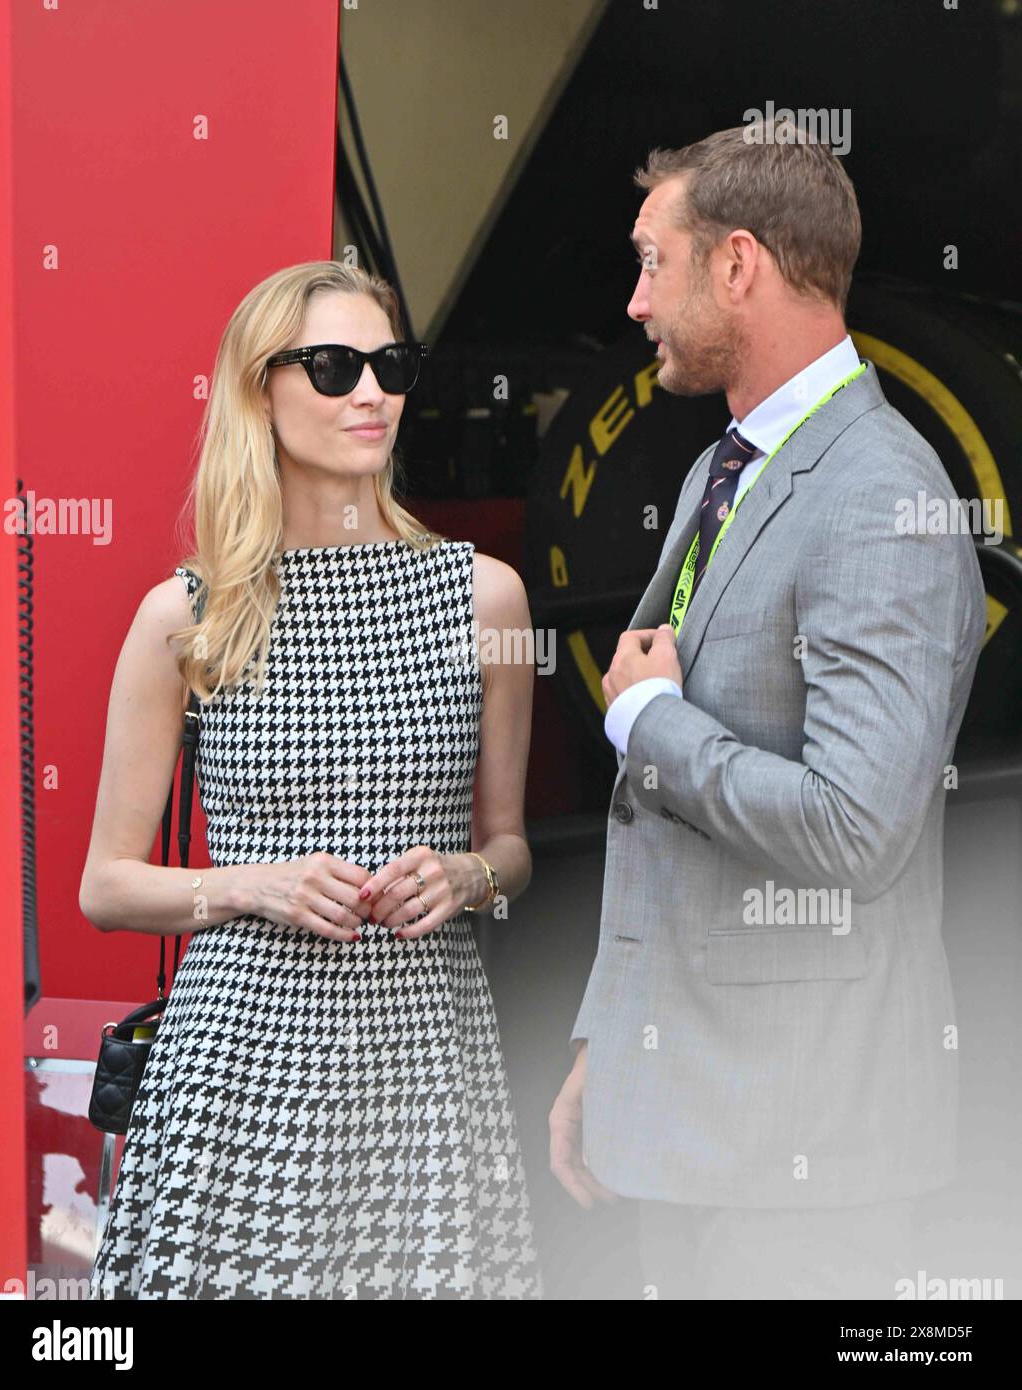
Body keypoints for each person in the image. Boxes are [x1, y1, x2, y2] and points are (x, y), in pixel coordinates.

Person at [549, 122, 987, 1299]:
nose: (634, 303)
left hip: (804, 1153)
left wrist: (653, 724)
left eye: (653, 262)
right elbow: (663, 831)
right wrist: (613, 1043)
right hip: (689, 1117)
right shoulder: (719, 465)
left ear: (736, 264)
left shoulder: (877, 492)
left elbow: (856, 826)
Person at [80, 260, 543, 1299]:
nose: (370, 391)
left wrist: (468, 878)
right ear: (260, 388)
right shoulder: (188, 614)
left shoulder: (485, 599)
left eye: (389, 365)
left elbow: (511, 848)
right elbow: (105, 885)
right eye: (333, 367)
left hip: (418, 1059)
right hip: (234, 1070)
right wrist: (250, 884)